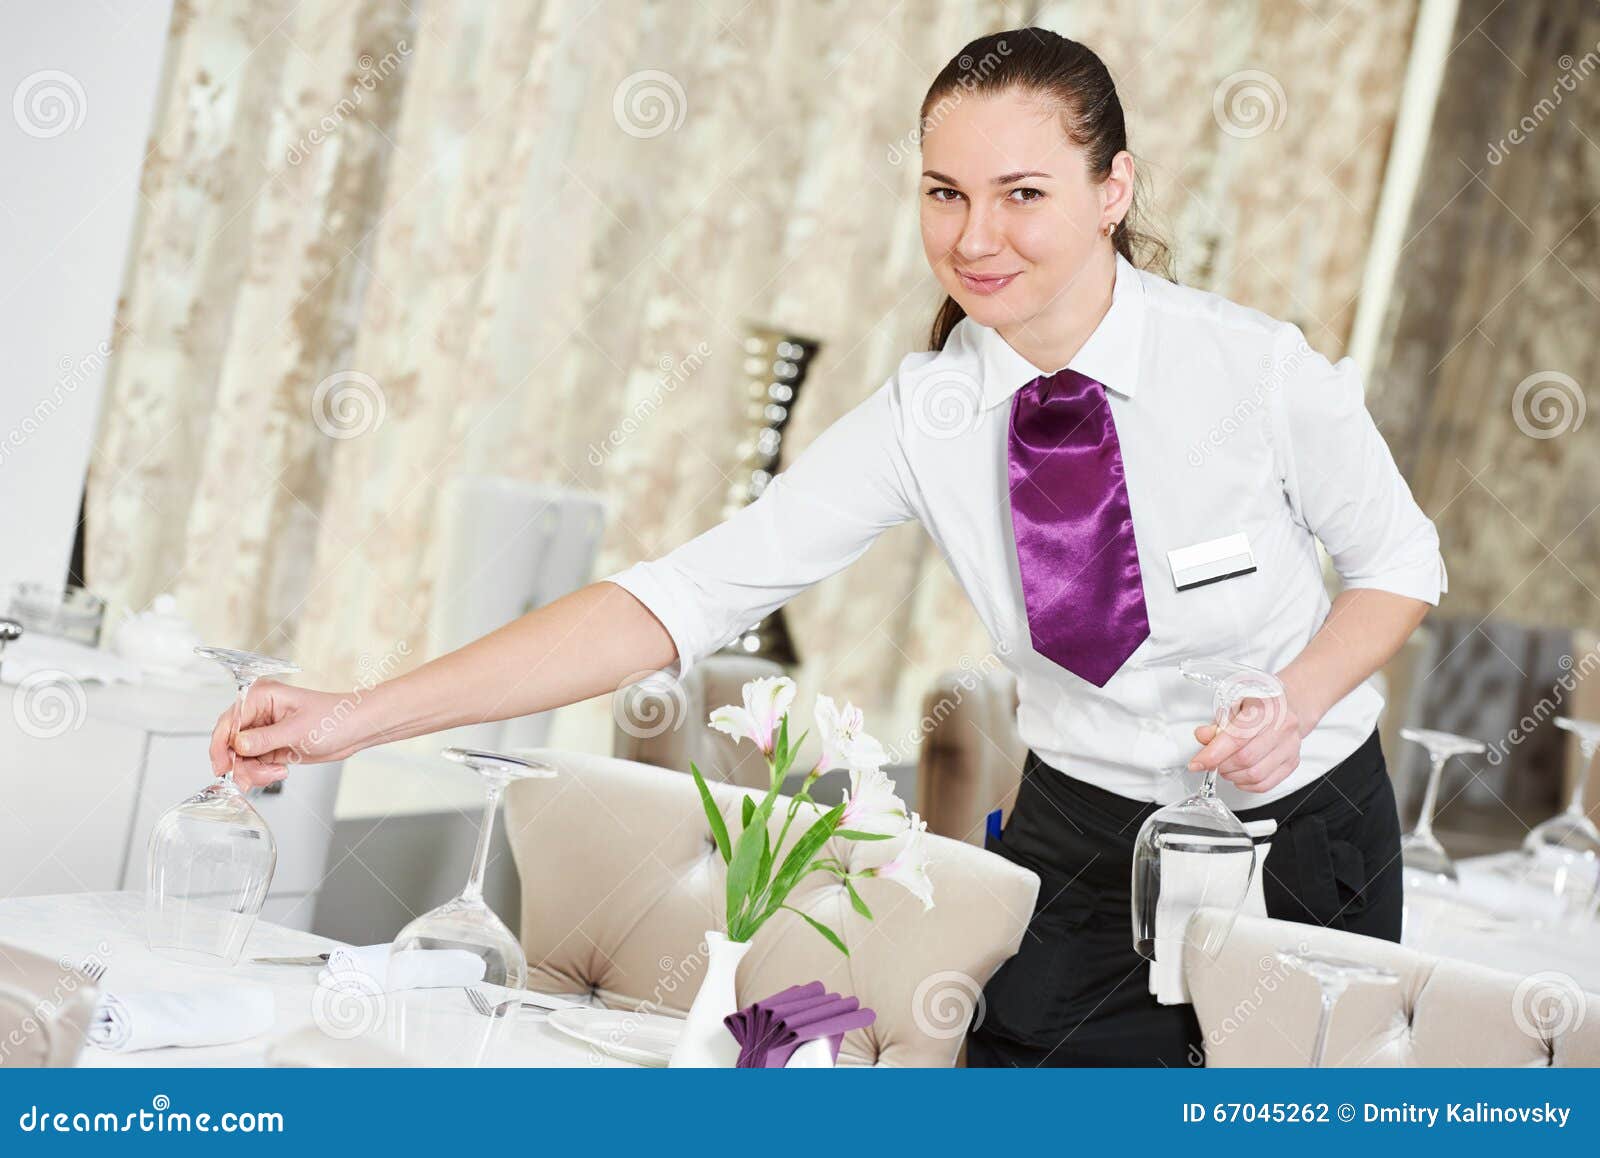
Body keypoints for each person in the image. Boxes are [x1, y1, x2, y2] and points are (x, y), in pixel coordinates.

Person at [209, 29, 1443, 1067]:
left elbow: (1399, 563)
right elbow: (671, 600)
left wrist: (1292, 699)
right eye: (944, 192)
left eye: (1023, 194)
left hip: (1305, 834)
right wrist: (353, 718)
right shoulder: (926, 419)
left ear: (1112, 190)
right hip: (1079, 837)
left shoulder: (1251, 369)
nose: (976, 238)